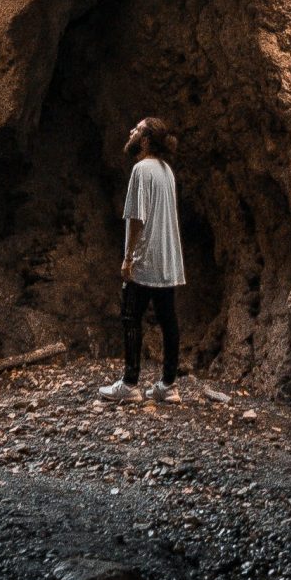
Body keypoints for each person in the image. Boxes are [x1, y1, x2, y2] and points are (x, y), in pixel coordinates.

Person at [101, 117, 185, 404]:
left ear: (146, 140)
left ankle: (130, 383)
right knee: (168, 320)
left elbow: (137, 218)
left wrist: (128, 258)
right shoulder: (167, 172)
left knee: (131, 317)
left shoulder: (141, 170)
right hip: (168, 259)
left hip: (145, 259)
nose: (130, 131)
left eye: (136, 129)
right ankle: (168, 385)